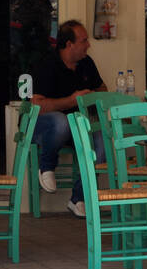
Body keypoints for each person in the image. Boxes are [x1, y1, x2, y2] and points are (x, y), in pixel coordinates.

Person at [31, 20, 106, 218]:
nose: (88, 45)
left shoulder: (86, 63)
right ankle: (46, 166)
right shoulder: (47, 64)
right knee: (61, 121)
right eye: (83, 41)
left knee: (102, 140)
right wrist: (71, 101)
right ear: (69, 44)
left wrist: (92, 97)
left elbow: (102, 89)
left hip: (77, 125)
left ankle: (78, 199)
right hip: (46, 127)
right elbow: (37, 106)